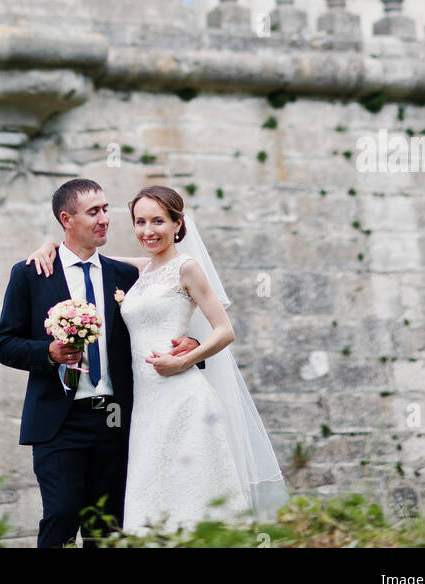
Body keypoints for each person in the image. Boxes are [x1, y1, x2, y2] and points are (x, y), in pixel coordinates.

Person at [28, 185, 289, 535]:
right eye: (140, 222)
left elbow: (224, 331)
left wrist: (186, 359)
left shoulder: (188, 268)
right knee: (150, 502)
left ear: (178, 223)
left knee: (193, 497)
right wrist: (50, 246)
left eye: (158, 221)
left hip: (182, 396)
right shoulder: (142, 270)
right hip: (144, 406)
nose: (148, 231)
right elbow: (87, 259)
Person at [0, 178, 201, 547]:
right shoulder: (30, 274)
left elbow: (167, 301)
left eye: (106, 209)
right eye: (94, 212)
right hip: (59, 421)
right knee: (60, 515)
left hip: (115, 417)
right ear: (66, 218)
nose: (105, 218)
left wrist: (192, 343)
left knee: (107, 527)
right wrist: (48, 353)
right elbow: (4, 344)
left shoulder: (125, 275)